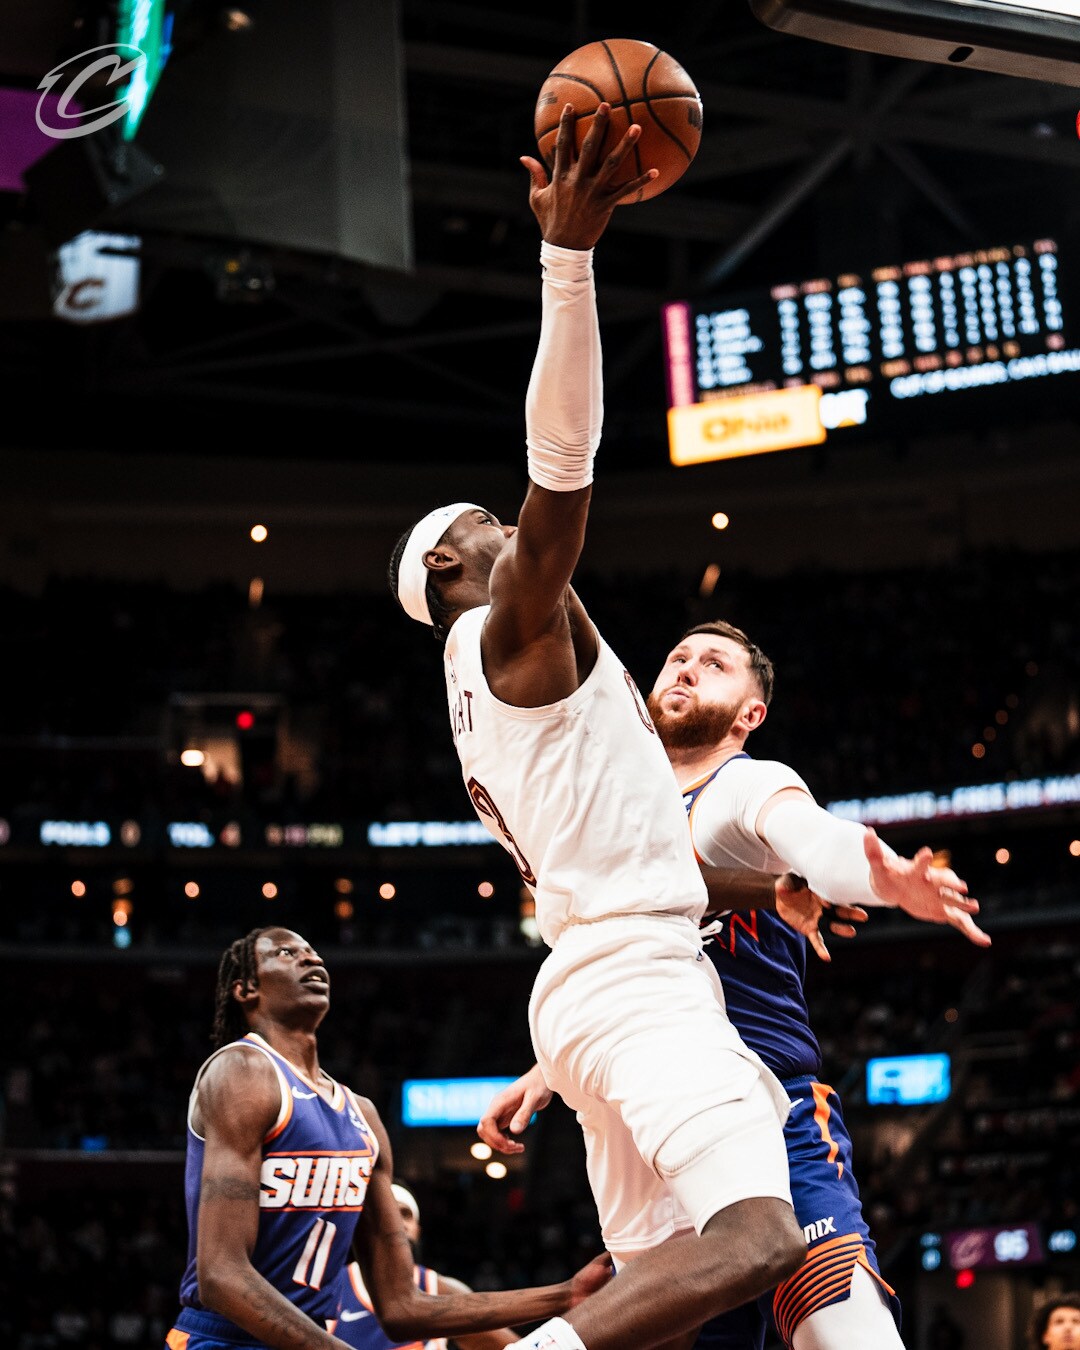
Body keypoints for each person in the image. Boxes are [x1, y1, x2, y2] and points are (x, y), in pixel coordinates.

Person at [388, 101, 810, 1350]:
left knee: (659, 1302)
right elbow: (562, 465)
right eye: (483, 536)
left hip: (585, 991)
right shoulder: (505, 630)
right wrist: (566, 259)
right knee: (760, 1242)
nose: (507, 534)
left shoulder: (500, 675)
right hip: (631, 981)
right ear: (458, 581)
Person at [479, 620, 988, 1350]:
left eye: (713, 665)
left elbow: (813, 839)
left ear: (751, 714)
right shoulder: (619, 816)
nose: (685, 670)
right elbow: (627, 969)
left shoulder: (742, 782)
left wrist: (879, 877)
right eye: (676, 659)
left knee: (850, 1338)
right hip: (659, 1130)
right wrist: (550, 1071)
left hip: (770, 1105)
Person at [165, 926, 609, 1350]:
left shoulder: (364, 1116)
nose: (311, 957)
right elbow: (221, 1276)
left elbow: (402, 1307)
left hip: (308, 1335)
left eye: (313, 951)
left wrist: (564, 1295)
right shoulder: (241, 1070)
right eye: (286, 952)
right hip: (222, 1338)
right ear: (246, 989)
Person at [334, 1181, 514, 1350]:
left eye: (405, 1214)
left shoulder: (440, 1289)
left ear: (418, 1230)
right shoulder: (334, 1286)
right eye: (387, 1214)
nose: (397, 1222)